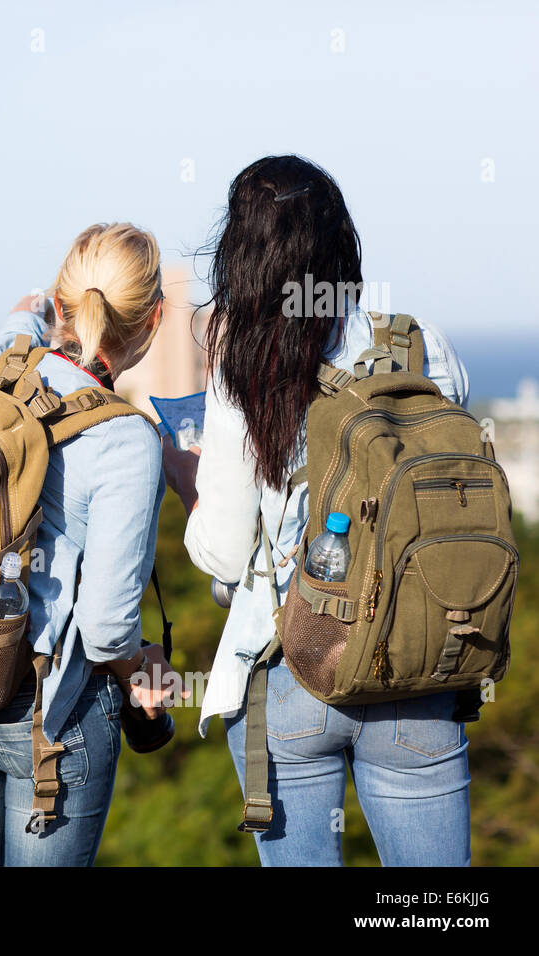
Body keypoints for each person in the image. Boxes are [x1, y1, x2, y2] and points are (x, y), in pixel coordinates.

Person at [163, 155, 474, 866]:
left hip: (292, 670)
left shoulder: (242, 367)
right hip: (416, 671)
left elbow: (222, 548)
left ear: (242, 254)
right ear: (341, 240)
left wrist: (190, 484)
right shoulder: (423, 347)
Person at [0, 222, 188, 866]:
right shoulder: (126, 443)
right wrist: (143, 670)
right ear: (154, 320)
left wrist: (39, 313)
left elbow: (23, 325)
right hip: (48, 717)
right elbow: (104, 629)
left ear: (62, 304)